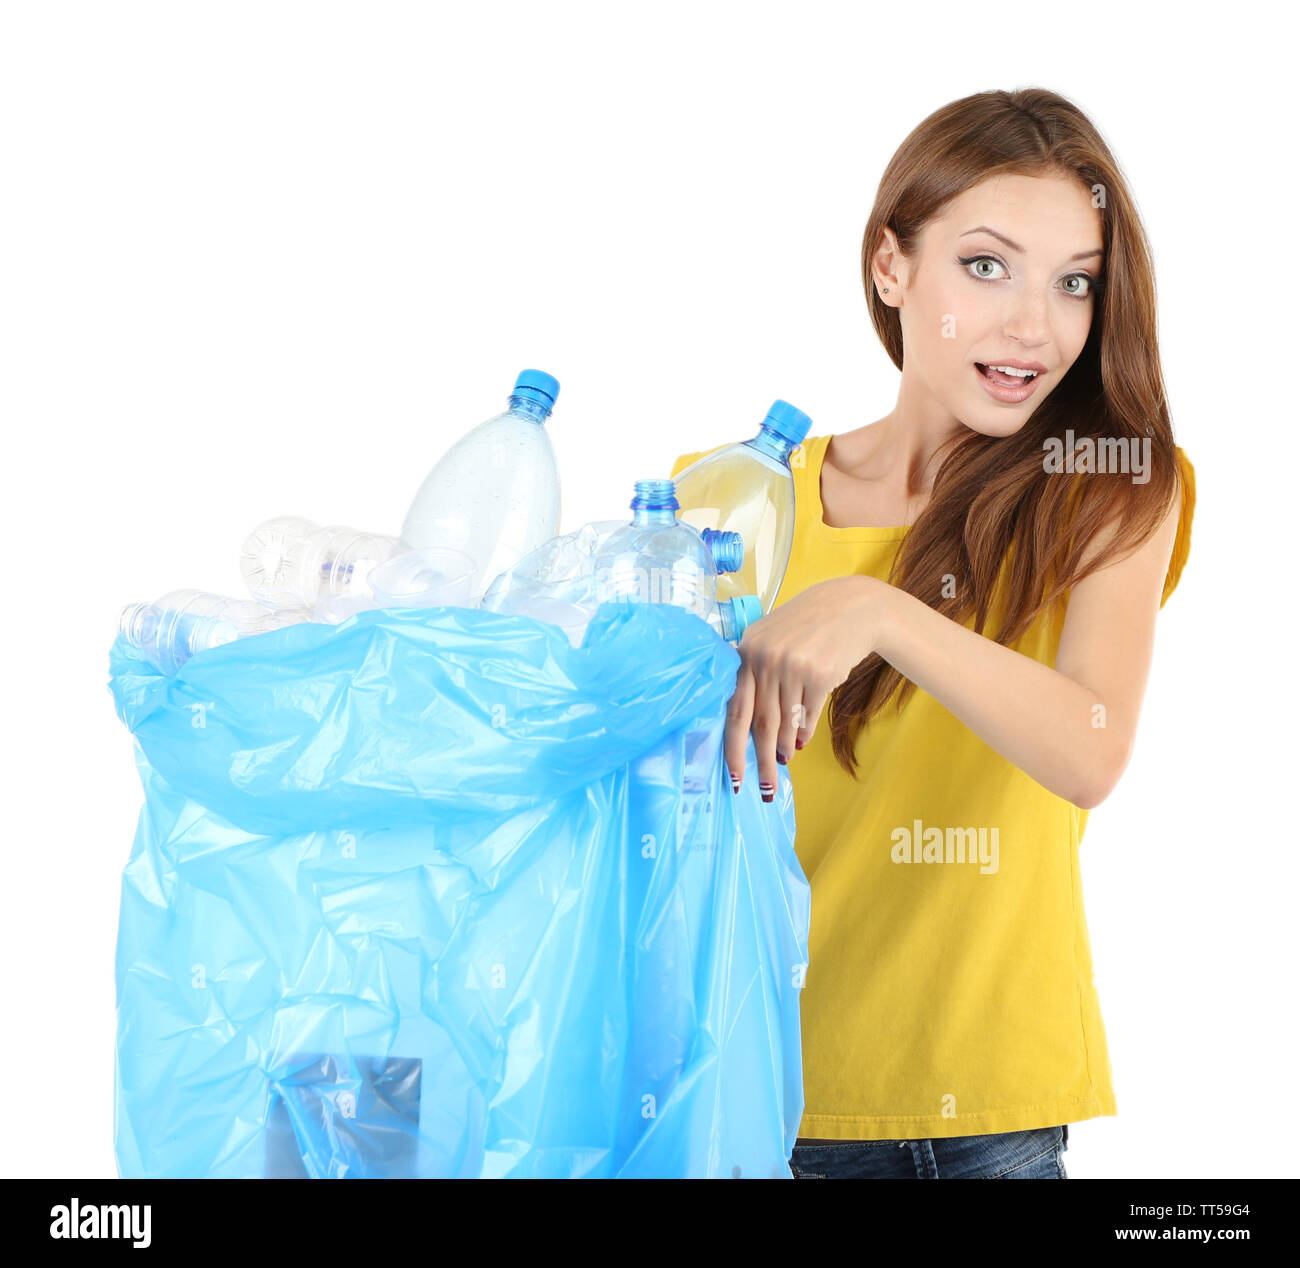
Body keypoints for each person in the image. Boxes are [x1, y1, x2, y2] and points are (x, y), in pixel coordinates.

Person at [670, 87, 1195, 1180]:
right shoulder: (729, 496)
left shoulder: (1107, 491)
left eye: (1075, 283)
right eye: (987, 265)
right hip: (754, 1097)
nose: (1033, 326)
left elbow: (1088, 747)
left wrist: (880, 610)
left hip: (987, 1119)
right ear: (889, 267)